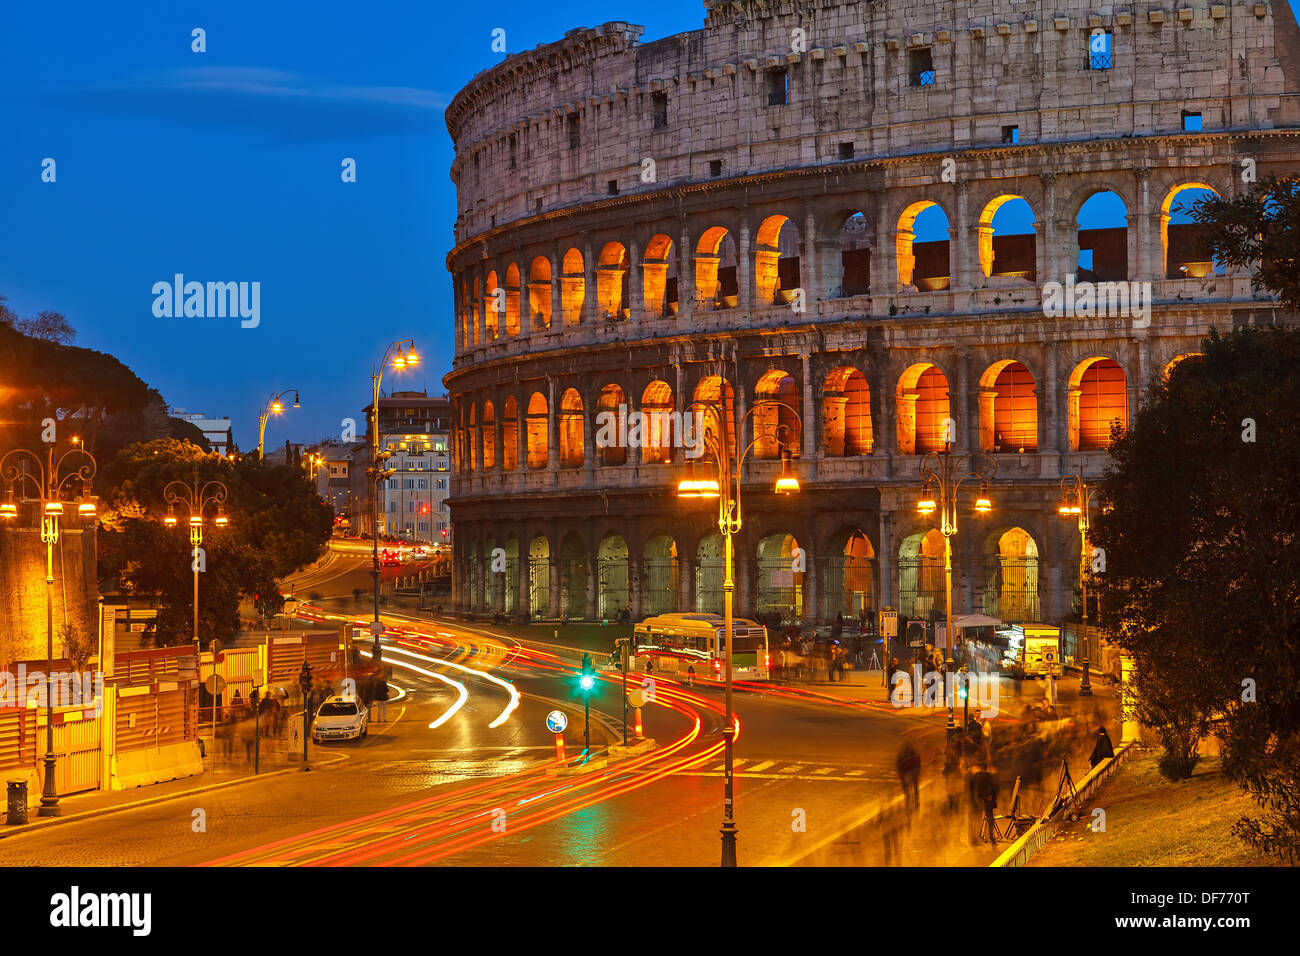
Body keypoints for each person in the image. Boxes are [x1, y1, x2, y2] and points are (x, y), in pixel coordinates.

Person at [973, 763, 999, 844]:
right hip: (988, 801)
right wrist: (989, 795)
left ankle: (977, 838)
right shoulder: (988, 776)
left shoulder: (977, 776)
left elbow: (977, 788)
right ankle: (991, 838)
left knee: (978, 819)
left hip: (980, 800)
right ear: (987, 768)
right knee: (990, 819)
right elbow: (992, 787)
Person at [896, 739, 921, 809]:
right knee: (914, 788)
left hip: (907, 775)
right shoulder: (914, 753)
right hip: (910, 774)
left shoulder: (902, 755)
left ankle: (911, 803)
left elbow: (898, 766)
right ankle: (915, 803)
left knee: (909, 791)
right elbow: (918, 765)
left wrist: (900, 775)